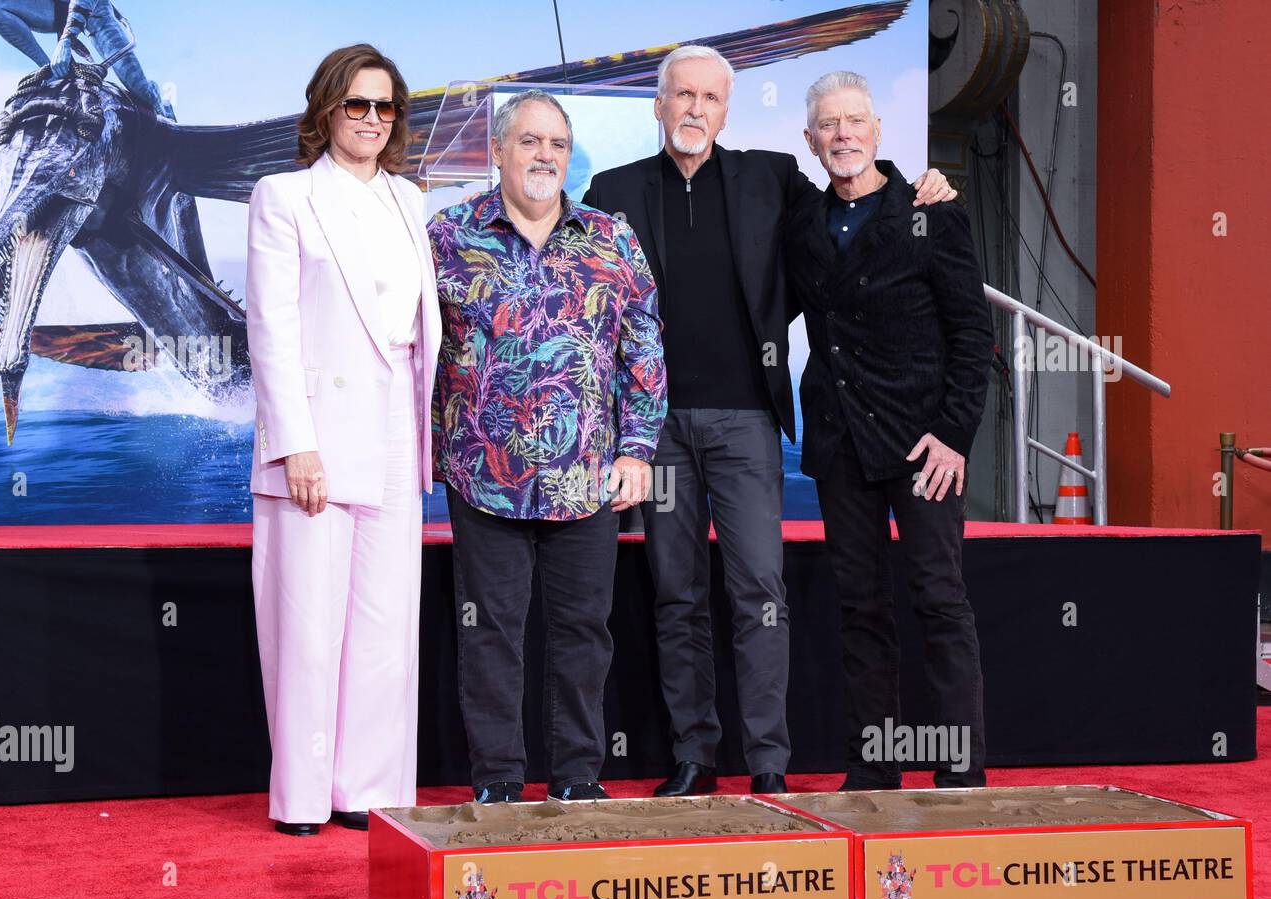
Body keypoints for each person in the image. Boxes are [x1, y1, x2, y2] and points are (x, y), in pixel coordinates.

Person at [583, 46, 955, 796]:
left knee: (761, 591)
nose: (695, 110)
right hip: (653, 433)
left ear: (727, 110)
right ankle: (694, 756)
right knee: (675, 592)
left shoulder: (770, 177)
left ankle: (768, 762)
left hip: (748, 422)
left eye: (710, 98)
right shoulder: (611, 191)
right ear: (659, 106)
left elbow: (855, 194)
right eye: (681, 96)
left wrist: (930, 186)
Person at [428, 90, 667, 804]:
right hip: (482, 474)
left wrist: (637, 448)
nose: (544, 156)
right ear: (497, 151)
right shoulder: (446, 234)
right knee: (491, 634)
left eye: (557, 145)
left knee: (582, 632)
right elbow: (410, 346)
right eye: (529, 142)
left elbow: (644, 349)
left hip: (587, 475)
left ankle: (576, 776)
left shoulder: (611, 239)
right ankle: (497, 778)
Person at [247, 44, 441, 834]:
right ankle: (300, 795)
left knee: (384, 620)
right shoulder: (284, 195)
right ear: (327, 108)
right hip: (319, 430)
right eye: (355, 105)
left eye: (384, 107)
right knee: (307, 621)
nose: (370, 119)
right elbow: (272, 327)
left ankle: (364, 787)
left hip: (398, 417)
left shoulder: (411, 201)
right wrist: (296, 443)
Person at [786, 71, 991, 789]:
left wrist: (954, 434)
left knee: (939, 598)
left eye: (854, 121)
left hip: (922, 444)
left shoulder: (930, 212)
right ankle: (873, 772)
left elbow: (973, 332)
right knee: (860, 608)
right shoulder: (802, 224)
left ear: (876, 131)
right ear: (810, 140)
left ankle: (959, 777)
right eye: (828, 124)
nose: (842, 135)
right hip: (842, 442)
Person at [0, 0, 176, 119]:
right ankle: (51, 71)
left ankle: (162, 105)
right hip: (52, 9)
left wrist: (66, 40)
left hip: (94, 10)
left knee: (137, 86)